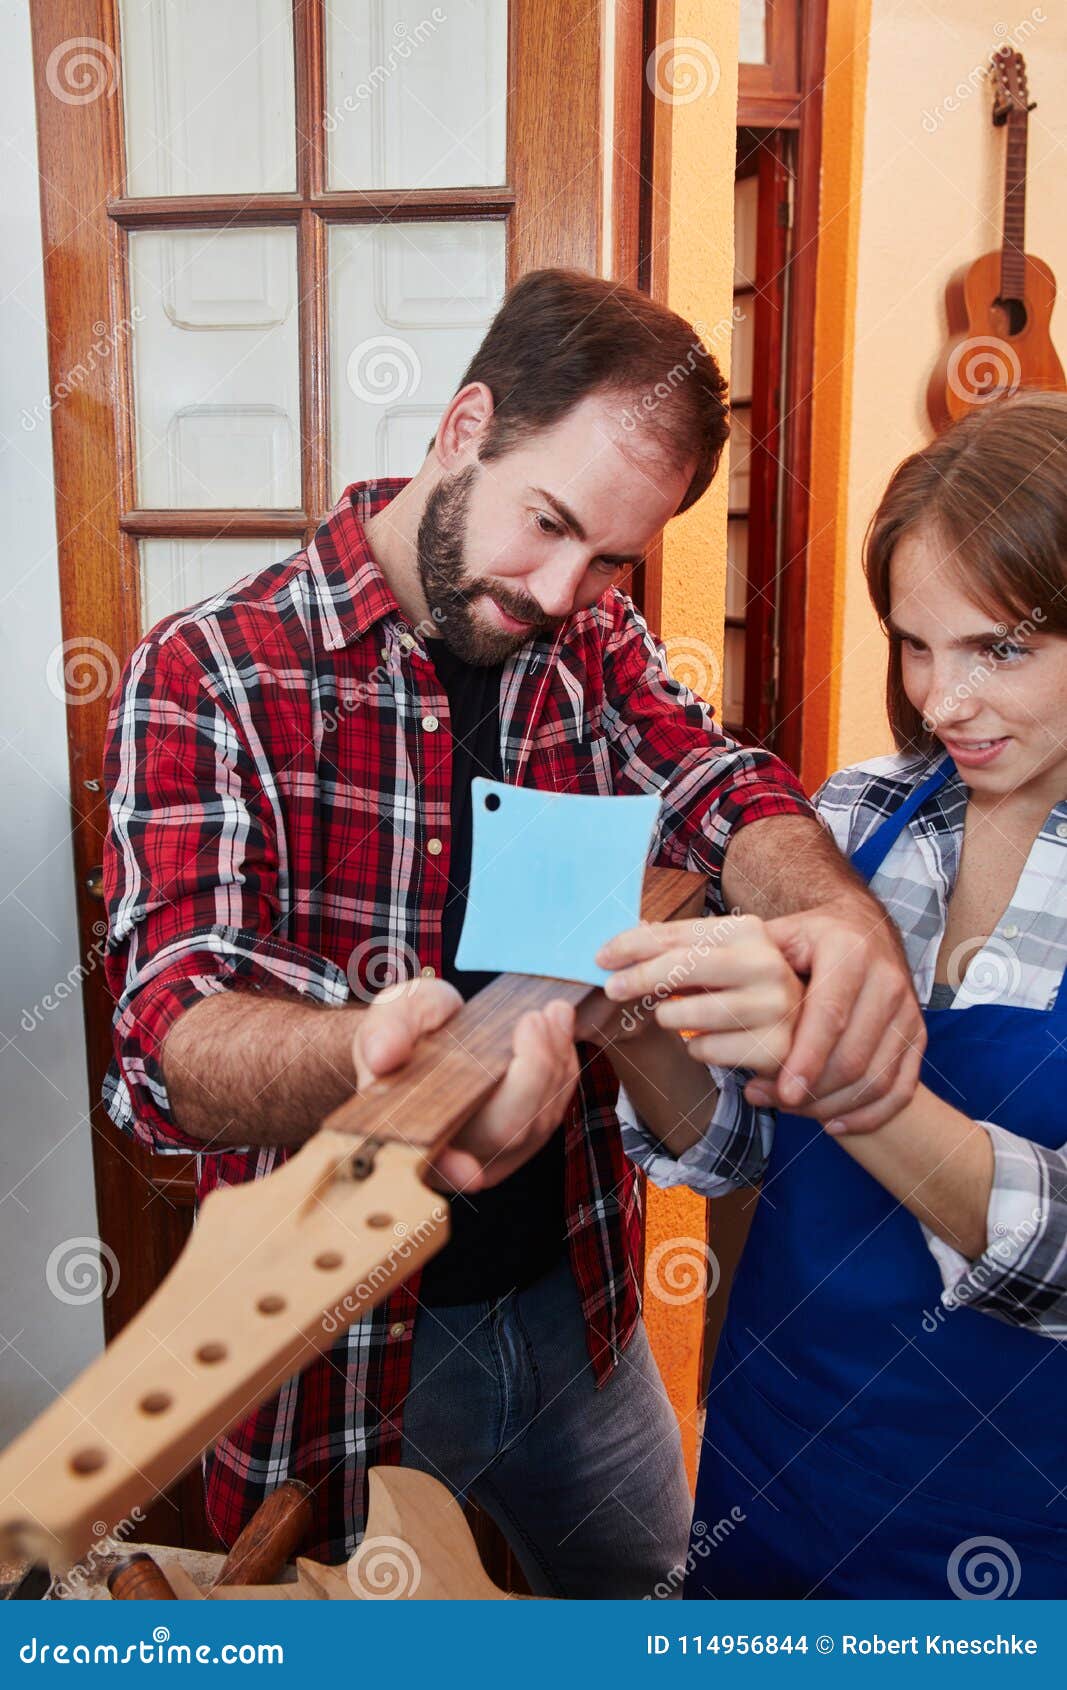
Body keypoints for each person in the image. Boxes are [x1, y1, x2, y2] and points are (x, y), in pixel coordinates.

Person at [102, 267, 919, 1594]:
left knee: (648, 1610)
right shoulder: (207, 670)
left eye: (605, 556)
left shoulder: (584, 636)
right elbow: (164, 1046)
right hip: (329, 1346)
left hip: (572, 1309)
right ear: (462, 425)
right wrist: (377, 1053)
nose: (559, 588)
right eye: (545, 524)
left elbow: (711, 778)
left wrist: (830, 907)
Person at [603, 390, 1067, 1598]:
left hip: (1016, 1523)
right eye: (914, 643)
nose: (940, 701)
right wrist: (633, 1027)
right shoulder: (860, 817)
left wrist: (855, 1083)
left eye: (998, 647)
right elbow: (748, 1142)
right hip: (778, 1475)